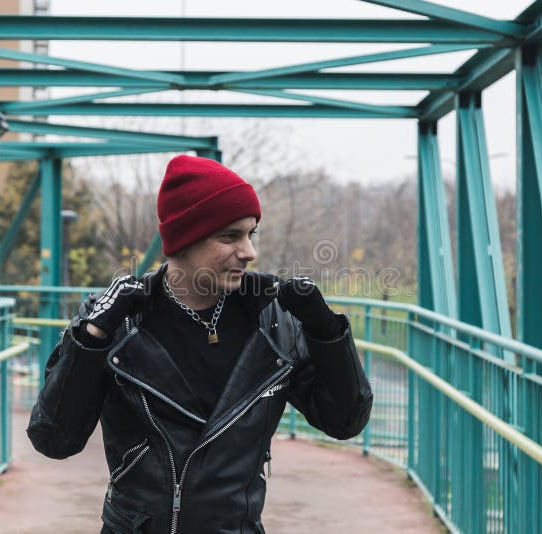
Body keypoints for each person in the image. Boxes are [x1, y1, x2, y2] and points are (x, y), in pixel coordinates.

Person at [27, 155, 373, 534]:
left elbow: (345, 421)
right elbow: (54, 438)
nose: (249, 251)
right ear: (183, 240)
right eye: (229, 236)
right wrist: (92, 339)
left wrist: (327, 332)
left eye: (250, 234)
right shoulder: (118, 320)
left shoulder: (274, 322)